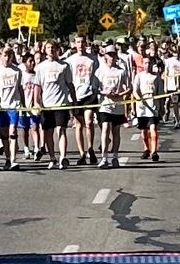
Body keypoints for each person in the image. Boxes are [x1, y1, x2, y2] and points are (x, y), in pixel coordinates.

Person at [35, 45, 76, 169]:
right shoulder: (41, 67)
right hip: (47, 106)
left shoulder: (64, 66)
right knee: (48, 133)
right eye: (48, 48)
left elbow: (70, 84)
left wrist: (74, 101)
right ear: (45, 50)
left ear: (57, 50)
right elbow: (37, 87)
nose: (51, 50)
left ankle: (63, 157)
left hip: (61, 104)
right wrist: (37, 102)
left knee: (61, 130)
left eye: (53, 48)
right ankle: (52, 158)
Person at [95, 43, 128, 168]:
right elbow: (96, 88)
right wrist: (105, 92)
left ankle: (115, 156)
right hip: (105, 104)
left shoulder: (121, 72)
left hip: (118, 105)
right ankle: (104, 157)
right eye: (109, 55)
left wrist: (119, 94)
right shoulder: (100, 71)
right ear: (105, 57)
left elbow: (128, 87)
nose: (112, 58)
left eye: (114, 55)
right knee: (105, 128)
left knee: (116, 131)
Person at [67, 37, 99, 166]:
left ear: (86, 44)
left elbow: (97, 75)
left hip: (89, 94)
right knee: (79, 124)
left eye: (83, 42)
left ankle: (91, 148)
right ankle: (82, 153)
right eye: (78, 42)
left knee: (89, 121)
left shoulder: (93, 59)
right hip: (76, 95)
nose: (80, 44)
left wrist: (96, 89)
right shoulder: (70, 60)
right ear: (74, 44)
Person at [131, 55, 162, 163]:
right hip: (142, 108)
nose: (147, 65)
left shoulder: (156, 77)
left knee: (153, 129)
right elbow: (135, 91)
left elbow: (160, 93)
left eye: (149, 63)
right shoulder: (139, 76)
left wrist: (160, 107)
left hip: (153, 107)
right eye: (145, 63)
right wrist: (139, 99)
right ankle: (146, 149)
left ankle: (154, 151)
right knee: (143, 130)